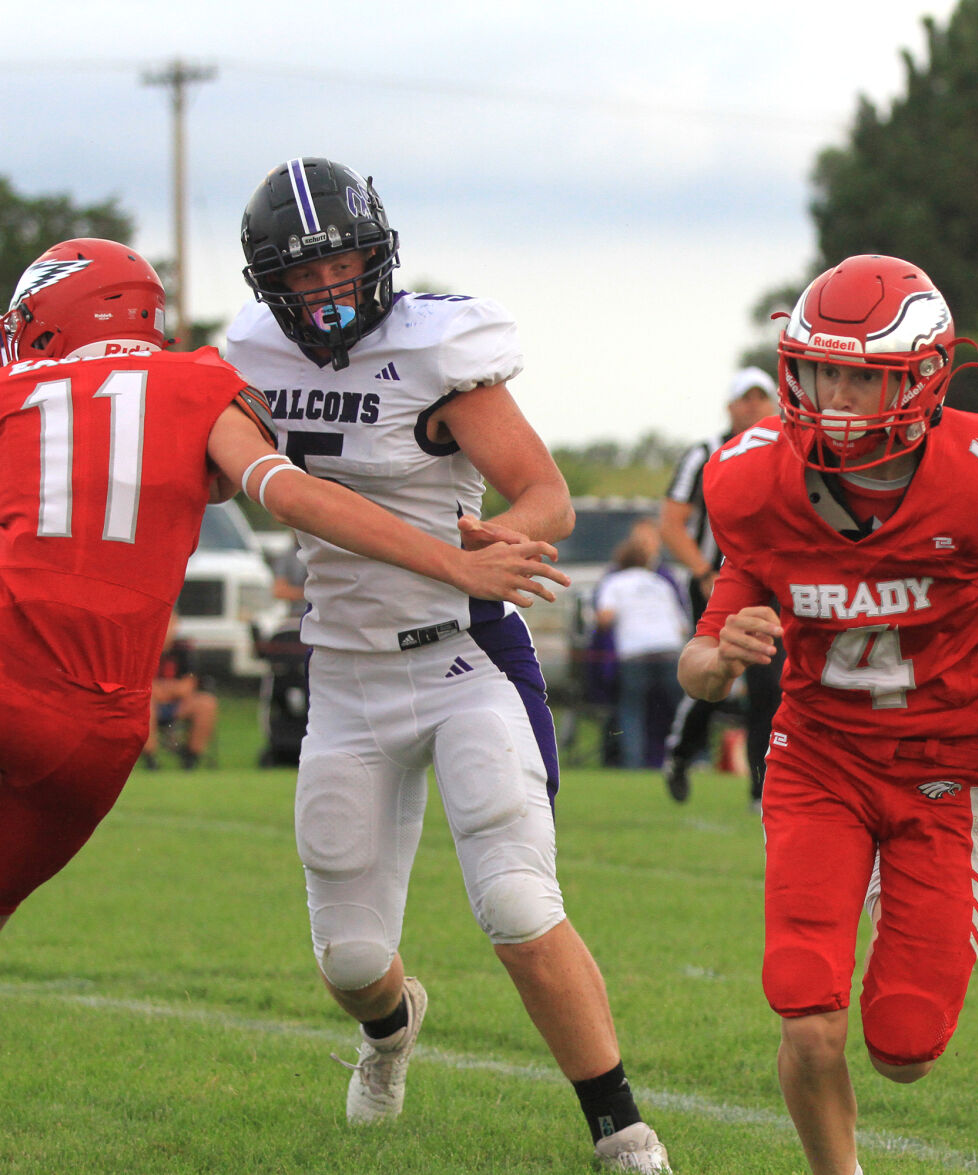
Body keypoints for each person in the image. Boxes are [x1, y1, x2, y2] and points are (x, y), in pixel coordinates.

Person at [225, 159, 669, 1171]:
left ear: (376, 256)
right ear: (267, 289)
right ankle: (390, 1029)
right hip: (340, 674)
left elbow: (546, 495)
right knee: (348, 958)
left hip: (461, 656)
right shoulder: (245, 361)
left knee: (516, 898)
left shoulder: (433, 348)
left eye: (342, 265)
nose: (330, 292)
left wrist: (496, 541)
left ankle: (623, 1131)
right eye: (305, 278)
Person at [676, 254, 978, 1175]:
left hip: (945, 766)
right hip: (818, 761)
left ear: (924, 379)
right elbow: (700, 662)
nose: (838, 396)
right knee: (807, 1014)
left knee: (905, 1049)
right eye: (823, 370)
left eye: (864, 374)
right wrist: (718, 659)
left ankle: (907, 905)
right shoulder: (754, 484)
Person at [0, 237, 566, 935]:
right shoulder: (204, 381)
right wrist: (453, 558)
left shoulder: (15, 392)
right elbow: (289, 493)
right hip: (103, 727)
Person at [658, 366, 782, 804]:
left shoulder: (790, 449)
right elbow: (671, 524)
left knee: (772, 685)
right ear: (730, 406)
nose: (753, 406)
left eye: (761, 397)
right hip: (716, 580)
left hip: (773, 583)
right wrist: (703, 572)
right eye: (745, 398)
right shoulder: (704, 453)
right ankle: (680, 753)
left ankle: (761, 786)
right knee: (714, 675)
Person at [595, 531, 690, 768]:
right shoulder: (660, 583)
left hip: (635, 652)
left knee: (632, 709)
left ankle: (633, 763)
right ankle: (690, 758)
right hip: (668, 649)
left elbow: (605, 618)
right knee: (679, 709)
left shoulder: (613, 582)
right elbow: (682, 626)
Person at [141, 629, 218, 769]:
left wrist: (162, 690)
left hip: (179, 704)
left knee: (206, 704)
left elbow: (187, 686)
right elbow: (142, 686)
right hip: (149, 704)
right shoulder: (141, 647)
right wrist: (167, 690)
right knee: (144, 705)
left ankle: (192, 757)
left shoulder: (184, 650)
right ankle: (150, 759)